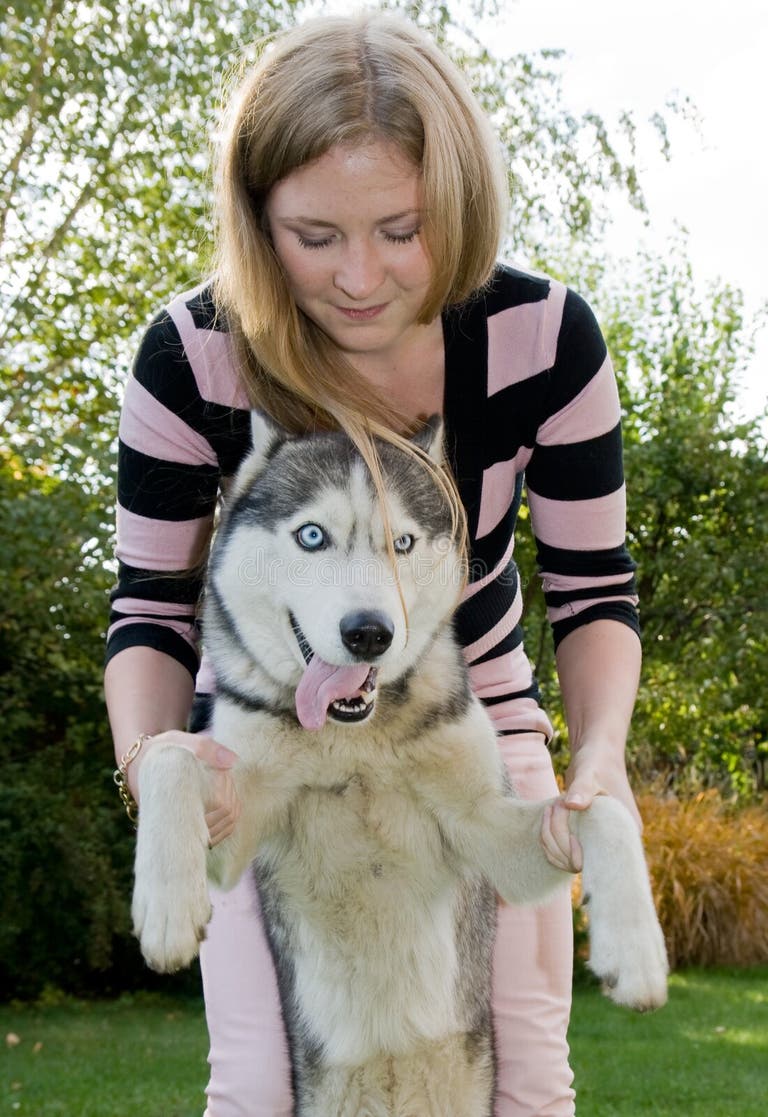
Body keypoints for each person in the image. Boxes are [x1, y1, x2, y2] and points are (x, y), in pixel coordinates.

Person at [105, 10, 642, 1116]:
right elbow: (152, 608)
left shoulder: (546, 339)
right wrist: (155, 768)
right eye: (315, 236)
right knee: (258, 1086)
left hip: (473, 724)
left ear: (455, 204)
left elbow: (593, 591)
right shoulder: (191, 354)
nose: (359, 277)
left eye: (401, 229)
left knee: (527, 1083)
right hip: (259, 733)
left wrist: (596, 763)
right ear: (258, 222)